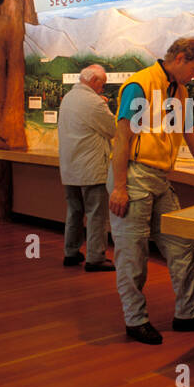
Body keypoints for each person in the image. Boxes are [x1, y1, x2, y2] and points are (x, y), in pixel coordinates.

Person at [108, 37, 194, 345]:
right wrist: (119, 187)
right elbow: (122, 139)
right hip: (134, 176)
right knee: (132, 254)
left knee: (183, 246)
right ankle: (135, 320)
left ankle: (188, 313)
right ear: (181, 59)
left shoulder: (180, 91)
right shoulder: (140, 85)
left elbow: (188, 133)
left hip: (160, 178)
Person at [58, 64, 116, 272]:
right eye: (103, 83)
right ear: (94, 81)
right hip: (91, 168)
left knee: (74, 211)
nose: (104, 88)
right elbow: (113, 129)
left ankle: (71, 252)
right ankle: (95, 257)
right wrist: (105, 106)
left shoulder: (69, 98)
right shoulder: (93, 102)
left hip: (70, 167)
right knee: (96, 214)